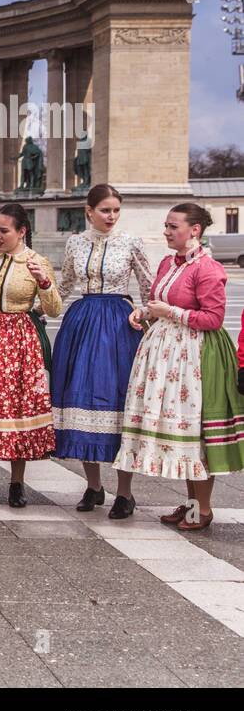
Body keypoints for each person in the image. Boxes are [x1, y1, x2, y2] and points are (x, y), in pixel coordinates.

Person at [113, 204, 244, 527]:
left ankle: (204, 508)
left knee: (195, 431)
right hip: (165, 351)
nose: (167, 231)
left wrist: (170, 312)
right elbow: (159, 303)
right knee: (182, 434)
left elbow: (212, 319)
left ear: (194, 230)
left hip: (196, 356)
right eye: (167, 225)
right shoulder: (168, 263)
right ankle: (191, 505)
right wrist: (144, 313)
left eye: (174, 226)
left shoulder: (208, 268)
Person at [51, 184, 153, 511]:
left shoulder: (130, 242)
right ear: (89, 210)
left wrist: (145, 313)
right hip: (82, 321)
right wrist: (38, 307)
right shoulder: (75, 243)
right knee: (80, 396)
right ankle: (93, 486)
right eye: (105, 210)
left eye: (115, 210)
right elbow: (65, 284)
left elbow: (149, 285)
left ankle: (124, 492)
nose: (111, 216)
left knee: (116, 399)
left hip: (119, 323)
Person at [0, 205, 62, 507]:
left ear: (21, 231)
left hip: (17, 339)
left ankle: (17, 482)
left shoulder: (37, 262)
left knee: (16, 408)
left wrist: (44, 283)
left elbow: (54, 309)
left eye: (3, 231)